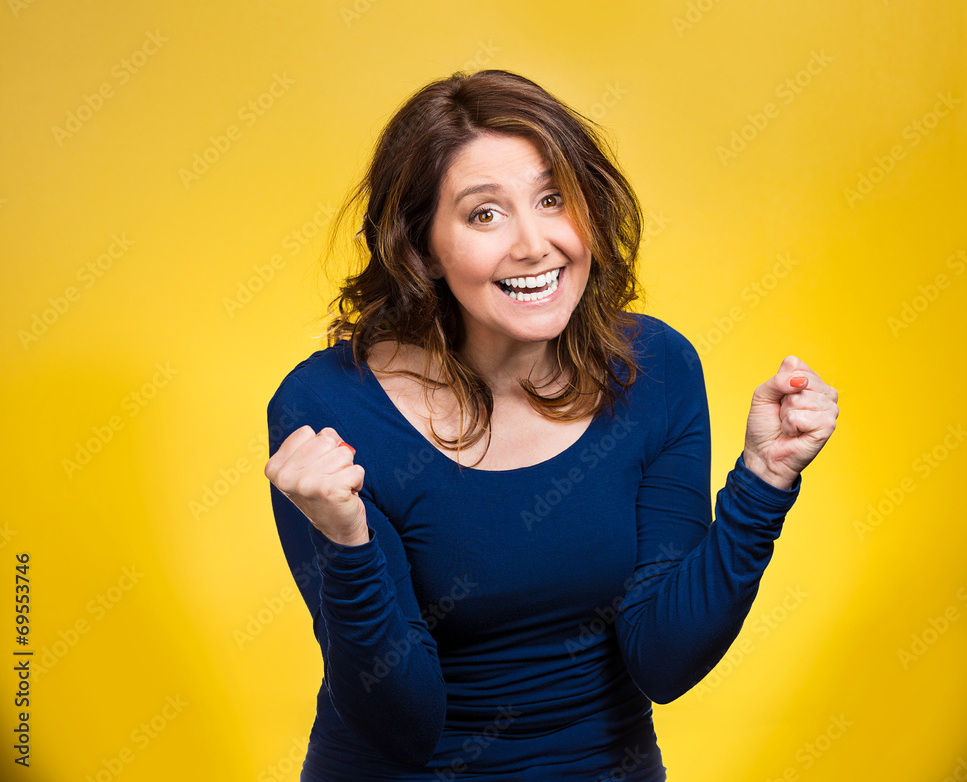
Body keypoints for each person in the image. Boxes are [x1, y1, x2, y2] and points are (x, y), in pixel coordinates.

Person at [264, 69, 838, 781]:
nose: (535, 244)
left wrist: (764, 482)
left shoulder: (653, 368)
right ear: (422, 246)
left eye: (552, 198)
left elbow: (664, 657)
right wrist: (345, 543)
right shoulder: (329, 409)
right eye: (484, 214)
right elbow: (400, 726)